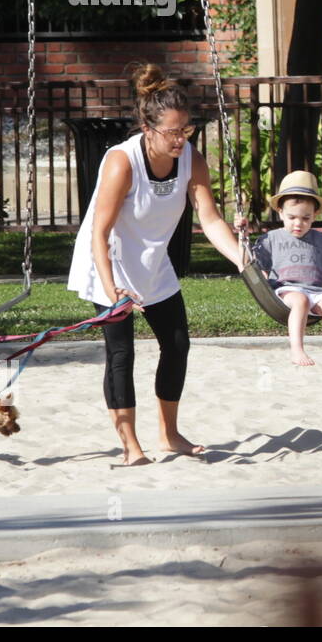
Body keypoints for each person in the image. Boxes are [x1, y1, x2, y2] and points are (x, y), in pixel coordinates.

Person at [67, 63, 247, 466]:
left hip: (151, 262)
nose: (181, 139)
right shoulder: (121, 161)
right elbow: (100, 232)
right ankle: (130, 445)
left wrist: (241, 259)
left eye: (186, 130)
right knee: (121, 353)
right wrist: (112, 290)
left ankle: (169, 434)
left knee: (178, 344)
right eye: (171, 132)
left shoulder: (190, 158)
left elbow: (211, 218)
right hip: (107, 263)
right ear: (147, 130)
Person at [247, 171, 322, 383]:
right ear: (280, 213)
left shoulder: (321, 241)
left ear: (314, 215)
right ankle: (297, 349)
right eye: (292, 217)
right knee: (300, 300)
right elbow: (255, 263)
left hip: (317, 290)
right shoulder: (272, 238)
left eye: (306, 218)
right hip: (287, 289)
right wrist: (242, 232)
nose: (298, 223)